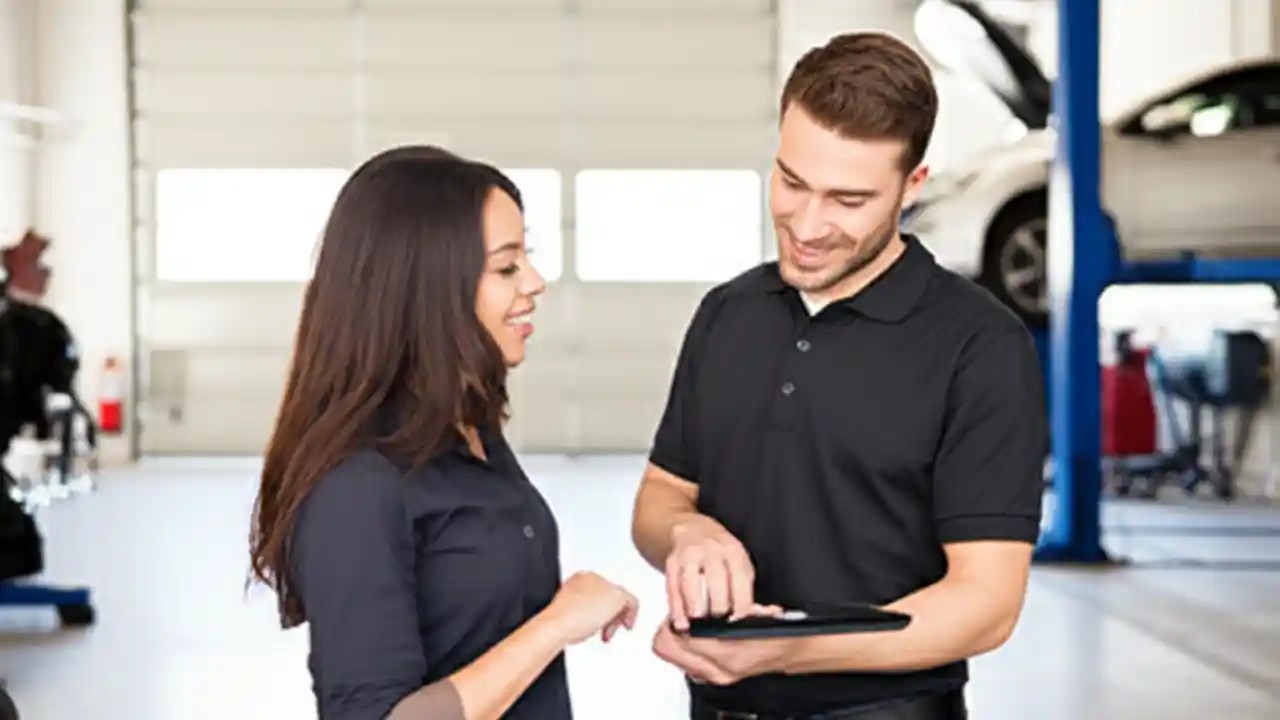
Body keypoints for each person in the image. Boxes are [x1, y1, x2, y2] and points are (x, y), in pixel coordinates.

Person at [631, 31, 1047, 720]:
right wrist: (687, 533)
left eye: (848, 200)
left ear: (912, 187)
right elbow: (660, 497)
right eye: (792, 182)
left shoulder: (980, 346)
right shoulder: (728, 314)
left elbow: (987, 606)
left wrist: (782, 651)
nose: (809, 223)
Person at [249, 145, 639, 720]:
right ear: (427, 289)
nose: (535, 282)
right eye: (507, 267)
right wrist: (555, 625)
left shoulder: (470, 429)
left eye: (526, 258)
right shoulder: (357, 483)